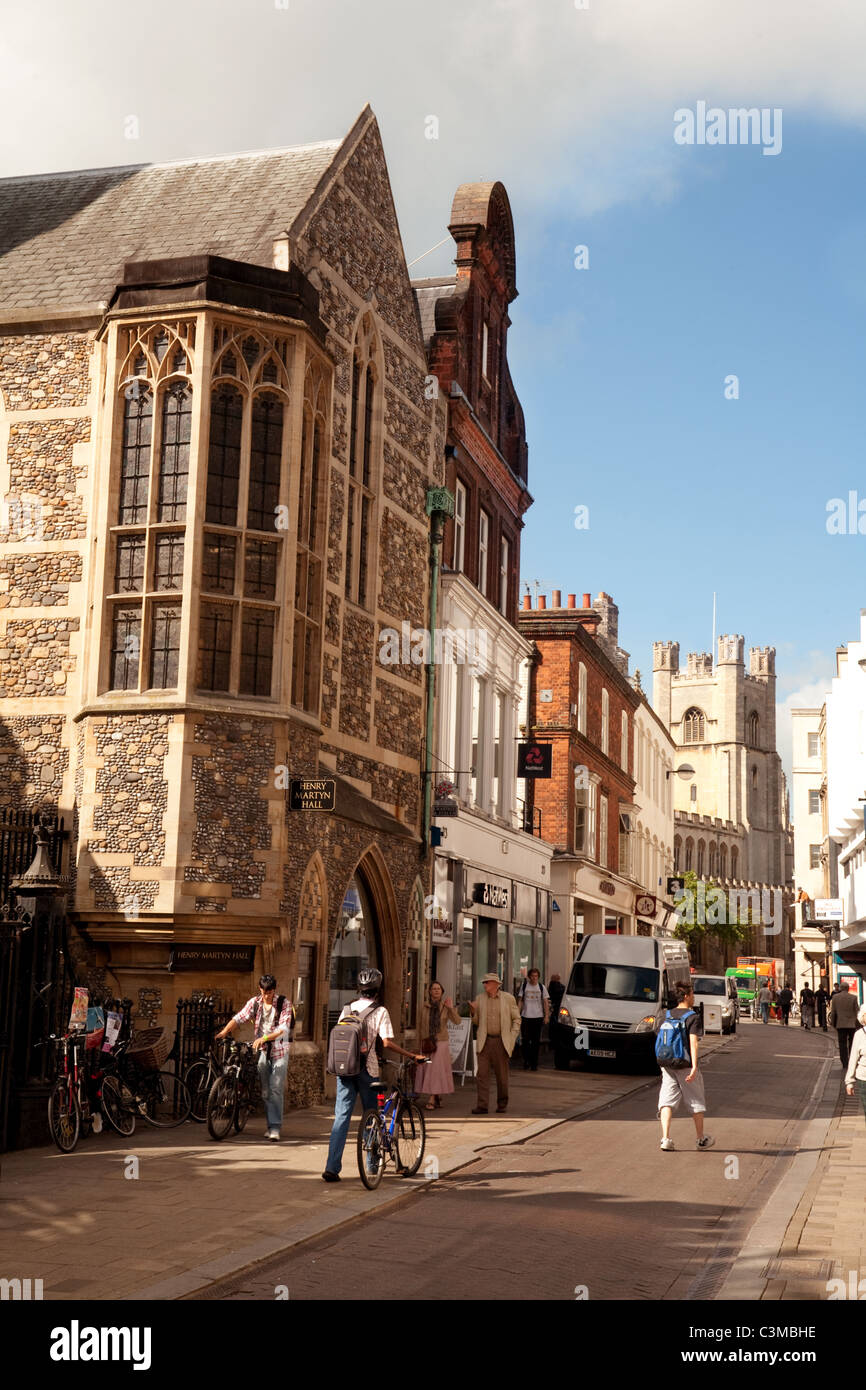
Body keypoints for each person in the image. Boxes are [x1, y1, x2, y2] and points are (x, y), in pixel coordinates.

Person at [322, 967, 426, 1182]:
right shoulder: (380, 1011)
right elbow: (386, 1043)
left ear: (359, 989)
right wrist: (411, 1055)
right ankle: (371, 1166)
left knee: (341, 1117)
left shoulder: (347, 1008)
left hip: (345, 1070)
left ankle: (331, 1168)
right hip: (368, 1070)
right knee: (373, 1116)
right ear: (378, 989)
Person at [216, 974, 294, 1141]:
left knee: (275, 1088)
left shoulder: (284, 1004)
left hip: (280, 1050)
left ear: (274, 990)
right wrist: (224, 1031)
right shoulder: (255, 1003)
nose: (267, 995)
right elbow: (239, 1018)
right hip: (264, 1051)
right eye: (264, 992)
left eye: (270, 992)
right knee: (266, 1092)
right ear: (260, 989)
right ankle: (270, 1125)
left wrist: (264, 1038)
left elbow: (283, 1030)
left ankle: (275, 1127)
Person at [658, 980, 715, 1152]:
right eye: (692, 994)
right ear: (685, 996)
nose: (694, 997)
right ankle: (700, 1139)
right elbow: (693, 1043)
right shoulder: (692, 1017)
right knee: (695, 1100)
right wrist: (694, 1066)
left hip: (667, 1063)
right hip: (684, 1063)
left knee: (667, 1101)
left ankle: (665, 1138)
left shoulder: (668, 1015)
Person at [468, 973, 521, 1115]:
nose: (484, 985)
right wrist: (473, 1012)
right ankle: (482, 1105)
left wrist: (512, 1036)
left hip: (501, 1041)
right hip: (484, 1041)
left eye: (487, 982)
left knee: (502, 1076)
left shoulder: (508, 999)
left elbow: (517, 1019)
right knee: (482, 1075)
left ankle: (502, 1104)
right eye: (484, 983)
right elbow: (477, 1021)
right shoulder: (480, 999)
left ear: (496, 984)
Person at [416, 981, 459, 1111]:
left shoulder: (446, 1007)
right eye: (433, 989)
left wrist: (451, 1007)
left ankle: (431, 1099)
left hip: (441, 1042)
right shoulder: (424, 1007)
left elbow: (457, 1021)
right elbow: (419, 1026)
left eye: (438, 989)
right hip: (427, 1042)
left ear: (442, 992)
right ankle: (437, 1096)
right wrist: (418, 1044)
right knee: (430, 1069)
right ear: (429, 992)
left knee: (434, 1070)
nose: (436, 991)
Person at [517, 968, 550, 1071]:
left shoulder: (542, 987)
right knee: (525, 1041)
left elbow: (545, 1002)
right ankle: (526, 1060)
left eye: (536, 976)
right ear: (529, 977)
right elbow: (520, 1001)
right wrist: (517, 1014)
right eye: (532, 976)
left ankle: (534, 1063)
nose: (534, 978)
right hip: (526, 1016)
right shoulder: (525, 986)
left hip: (538, 1017)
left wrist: (546, 1016)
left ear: (538, 977)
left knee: (536, 1042)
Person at [829, 982, 861, 1070]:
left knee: (842, 1044)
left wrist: (833, 1023)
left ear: (840, 988)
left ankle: (844, 1062)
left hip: (841, 1024)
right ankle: (852, 1060)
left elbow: (833, 1012)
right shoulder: (853, 997)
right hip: (851, 1025)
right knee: (852, 1043)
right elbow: (857, 1010)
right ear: (848, 988)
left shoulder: (835, 997)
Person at [844, 1004, 866, 1126]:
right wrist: (849, 1082)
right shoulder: (859, 1035)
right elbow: (853, 1059)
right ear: (863, 1017)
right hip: (864, 1079)